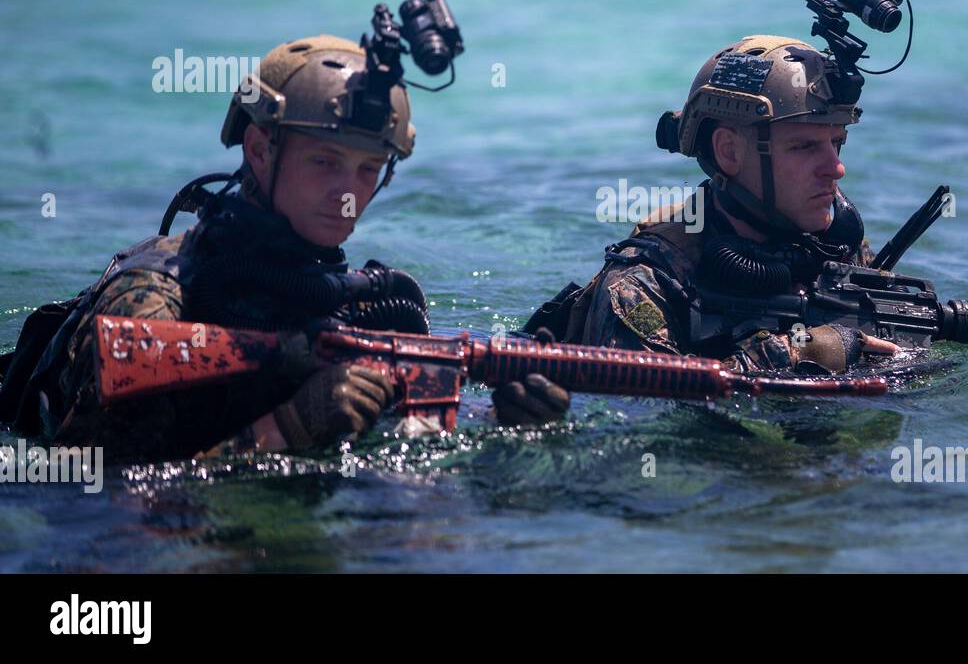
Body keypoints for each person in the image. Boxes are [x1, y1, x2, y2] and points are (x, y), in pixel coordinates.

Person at [0, 33, 566, 462]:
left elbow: (404, 468)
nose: (349, 194)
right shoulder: (154, 304)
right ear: (261, 149)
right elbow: (91, 506)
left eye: (370, 170)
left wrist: (505, 427)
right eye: (324, 162)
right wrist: (283, 433)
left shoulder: (359, 304)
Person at [528, 35, 968, 374]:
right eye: (805, 146)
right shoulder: (645, 283)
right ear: (730, 152)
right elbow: (643, 427)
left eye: (838, 144)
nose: (836, 168)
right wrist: (793, 354)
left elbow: (884, 356)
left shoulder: (836, 251)